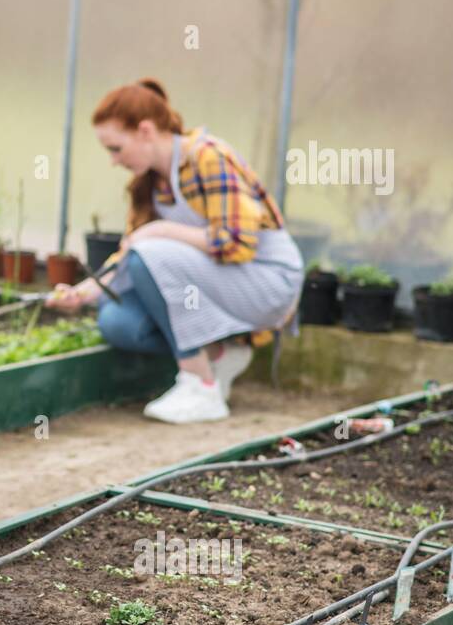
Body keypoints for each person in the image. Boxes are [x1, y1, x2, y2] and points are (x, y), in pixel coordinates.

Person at [47, 79, 302, 423]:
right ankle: (220, 353)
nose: (113, 161)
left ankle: (200, 385)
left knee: (149, 253)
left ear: (146, 131)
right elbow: (130, 252)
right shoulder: (151, 182)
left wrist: (161, 231)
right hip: (219, 282)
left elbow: (238, 243)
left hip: (266, 280)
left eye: (116, 148)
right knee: (118, 321)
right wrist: (81, 293)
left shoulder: (208, 157)